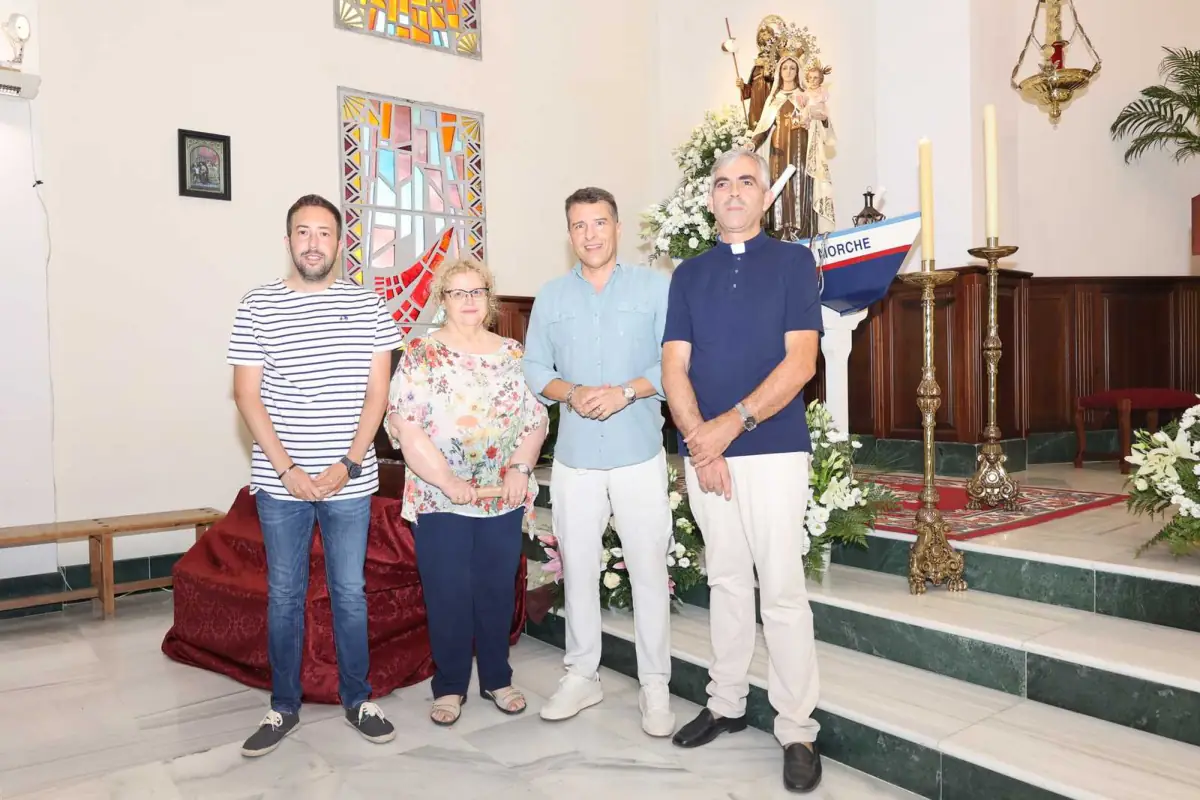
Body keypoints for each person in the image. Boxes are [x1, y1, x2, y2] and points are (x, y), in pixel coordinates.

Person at [661, 150, 824, 793]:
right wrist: (699, 440)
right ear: (710, 199)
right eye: (722, 183)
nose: (734, 192)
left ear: (764, 197)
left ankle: (797, 728)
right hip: (706, 452)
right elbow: (675, 364)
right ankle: (726, 703)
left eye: (746, 182)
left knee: (780, 589)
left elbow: (801, 363)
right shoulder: (688, 274)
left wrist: (732, 424)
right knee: (727, 580)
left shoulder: (792, 263)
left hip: (775, 447)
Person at [228, 194, 400, 757]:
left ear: (339, 243)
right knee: (284, 593)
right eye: (303, 233)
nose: (313, 243)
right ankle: (283, 707)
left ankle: (359, 698)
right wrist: (289, 469)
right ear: (288, 242)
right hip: (282, 484)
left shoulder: (371, 308)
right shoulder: (257, 306)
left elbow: (378, 393)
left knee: (350, 592)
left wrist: (347, 463)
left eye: (324, 233)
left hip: (351, 478)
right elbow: (246, 395)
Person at [522, 187, 675, 737]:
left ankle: (655, 685)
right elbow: (535, 368)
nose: (590, 234)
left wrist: (629, 392)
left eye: (600, 222)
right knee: (579, 570)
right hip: (576, 459)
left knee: (648, 570)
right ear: (570, 234)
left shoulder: (655, 288)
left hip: (638, 453)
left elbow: (675, 364)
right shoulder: (551, 297)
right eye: (580, 225)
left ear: (617, 227)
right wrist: (572, 390)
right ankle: (582, 674)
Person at [385, 257, 548, 727]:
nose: (468, 301)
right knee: (448, 593)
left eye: (476, 291)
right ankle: (451, 684)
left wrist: (520, 466)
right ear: (444, 300)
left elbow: (535, 419)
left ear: (490, 297)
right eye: (457, 293)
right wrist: (449, 481)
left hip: (501, 494)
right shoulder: (420, 353)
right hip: (441, 498)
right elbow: (405, 426)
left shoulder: (515, 354)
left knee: (497, 589)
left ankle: (497, 677)